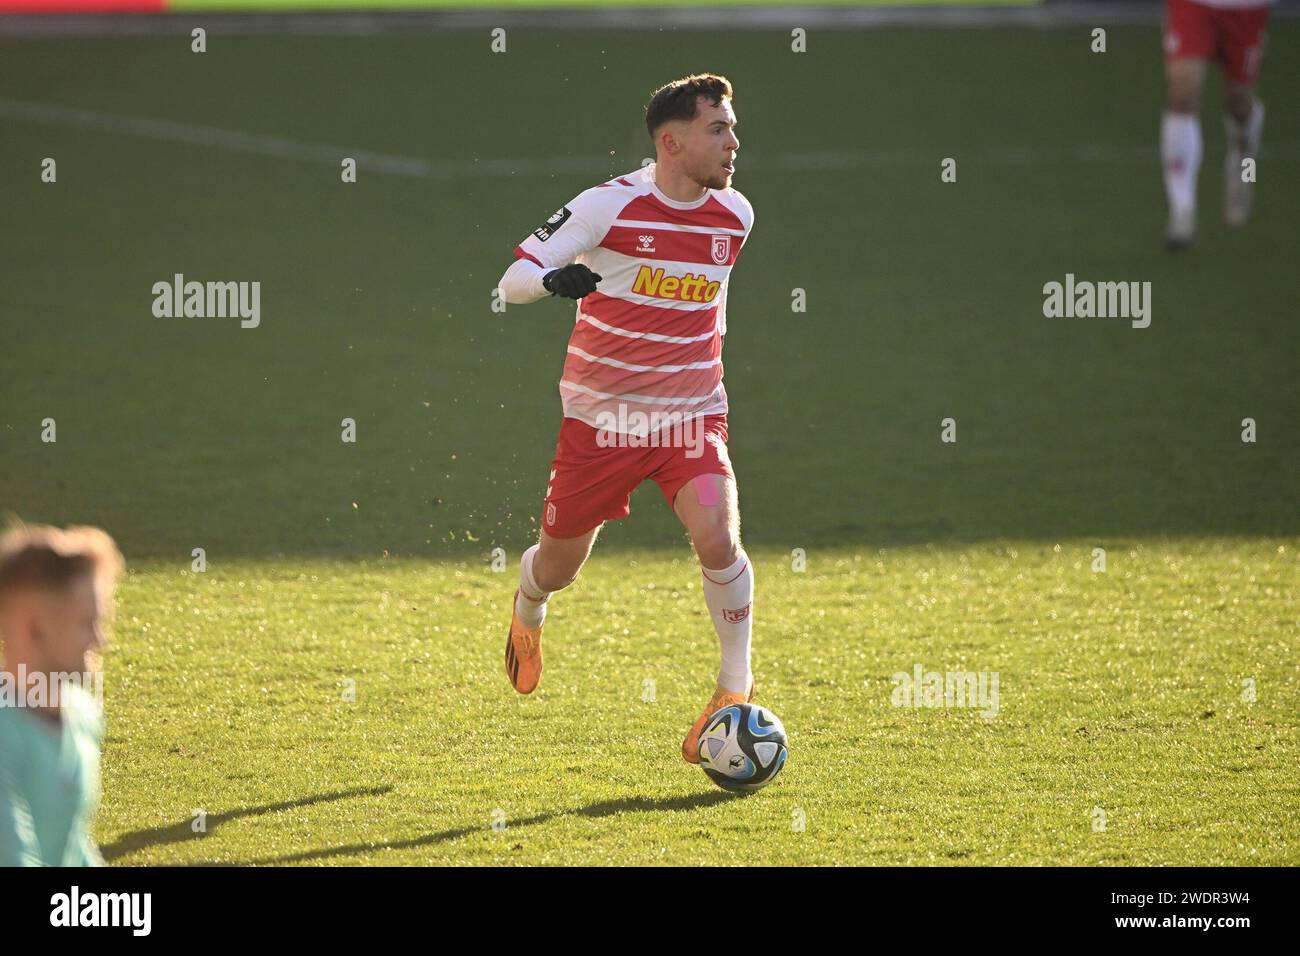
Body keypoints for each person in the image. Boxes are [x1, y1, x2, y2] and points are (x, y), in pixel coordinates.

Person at [495, 73, 757, 763]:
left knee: (717, 538)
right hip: (601, 423)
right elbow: (511, 281)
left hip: (690, 416)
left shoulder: (735, 216)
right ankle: (528, 607)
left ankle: (734, 688)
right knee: (559, 568)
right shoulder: (605, 207)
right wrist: (552, 280)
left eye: (732, 128)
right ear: (671, 142)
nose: (733, 143)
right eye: (718, 130)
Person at [0, 523, 123, 865]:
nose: (101, 640)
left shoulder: (82, 712)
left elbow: (74, 846)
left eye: (101, 621)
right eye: (85, 623)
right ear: (31, 627)